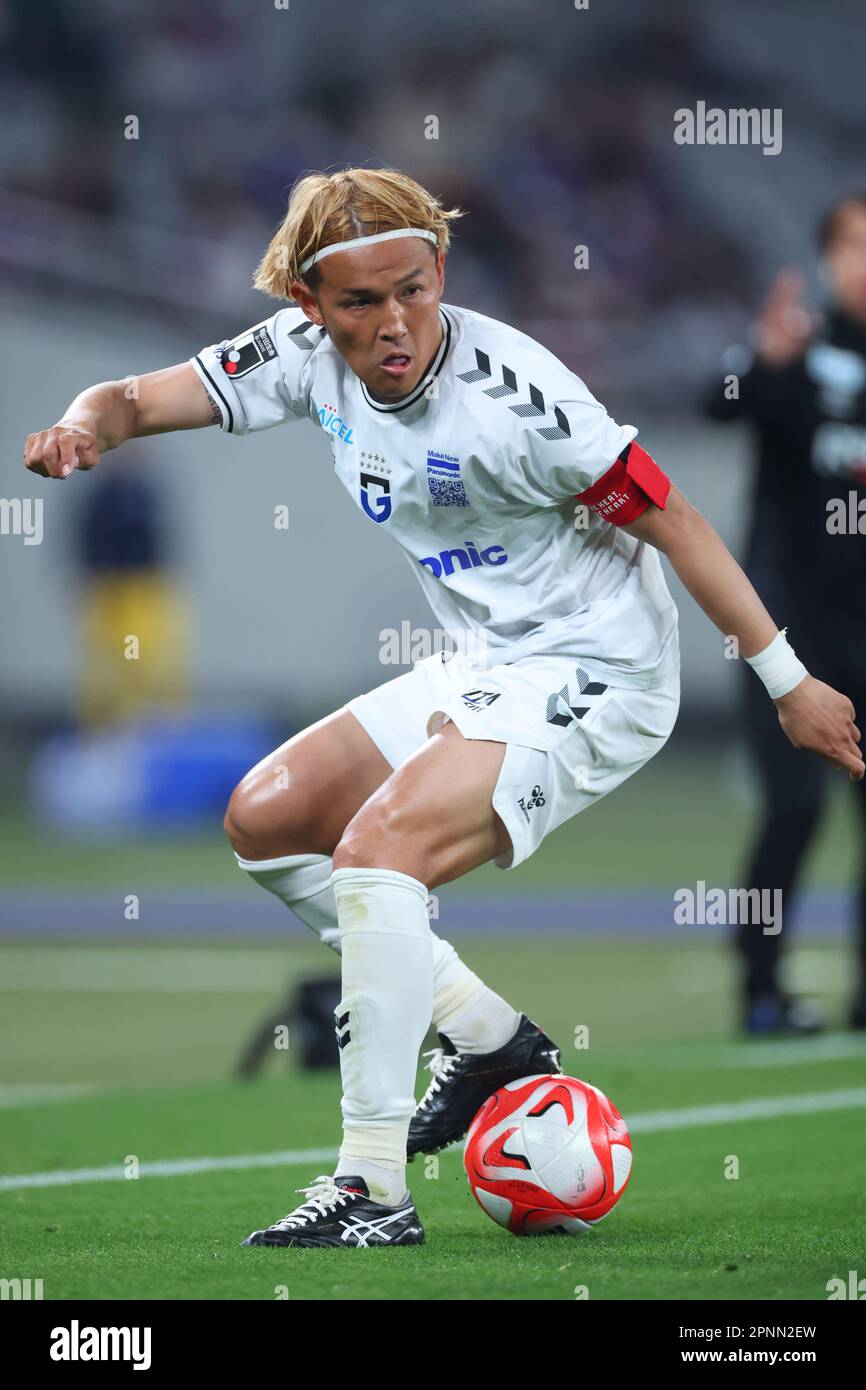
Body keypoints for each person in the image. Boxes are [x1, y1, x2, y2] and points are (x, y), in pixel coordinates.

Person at [25, 167, 863, 1249]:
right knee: (265, 819)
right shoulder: (298, 359)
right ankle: (486, 1038)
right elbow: (135, 398)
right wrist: (85, 422)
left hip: (598, 667)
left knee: (378, 855)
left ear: (440, 273)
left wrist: (785, 680)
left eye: (412, 290)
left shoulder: (520, 396)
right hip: (486, 657)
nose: (393, 322)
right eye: (360, 303)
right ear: (310, 309)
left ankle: (370, 1185)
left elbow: (676, 521)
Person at [705, 192, 866, 1036]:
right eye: (857, 245)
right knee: (795, 807)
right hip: (789, 626)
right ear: (831, 258)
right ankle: (762, 990)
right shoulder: (796, 348)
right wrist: (762, 364)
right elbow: (714, 402)